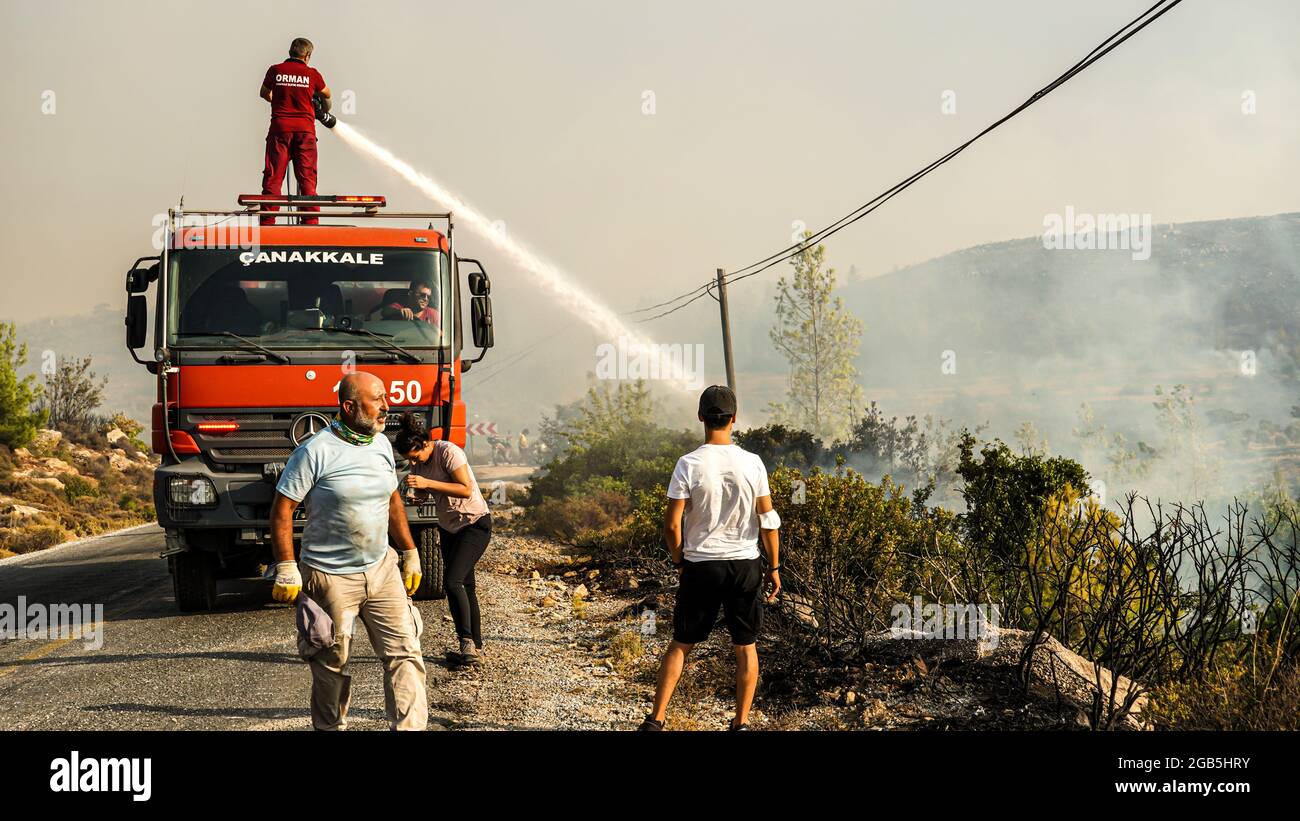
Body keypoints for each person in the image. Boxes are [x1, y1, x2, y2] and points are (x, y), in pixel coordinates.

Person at [269, 371, 427, 730]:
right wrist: (287, 566)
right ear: (349, 406)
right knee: (331, 664)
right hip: (329, 577)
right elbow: (282, 509)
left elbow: (392, 500)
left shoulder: (381, 445)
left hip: (382, 569)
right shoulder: (315, 451)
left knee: (405, 653)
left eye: (386, 398)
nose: (387, 406)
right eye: (378, 400)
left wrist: (409, 551)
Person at [639, 385, 781, 732]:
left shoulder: (687, 464)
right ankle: (741, 723)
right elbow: (768, 520)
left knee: (681, 643)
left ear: (701, 417)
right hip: (745, 565)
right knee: (745, 646)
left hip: (700, 565)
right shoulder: (754, 463)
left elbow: (672, 524)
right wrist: (774, 566)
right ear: (734, 419)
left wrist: (679, 561)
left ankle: (656, 720)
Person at [395, 414, 493, 667]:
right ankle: (475, 648)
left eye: (415, 456)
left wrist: (427, 482)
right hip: (449, 526)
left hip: (474, 523)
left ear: (426, 443)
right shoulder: (418, 463)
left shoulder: (449, 452)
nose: (412, 462)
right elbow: (431, 489)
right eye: (408, 459)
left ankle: (466, 641)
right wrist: (421, 495)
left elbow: (464, 488)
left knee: (452, 582)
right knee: (466, 586)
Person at [259, 37, 330, 226]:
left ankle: (267, 223)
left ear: (290, 51)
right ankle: (310, 223)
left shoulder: (275, 70)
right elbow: (327, 94)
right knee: (307, 178)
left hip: (279, 131)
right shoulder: (312, 74)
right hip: (305, 133)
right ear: (307, 56)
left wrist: (279, 99)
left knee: (273, 177)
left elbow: (264, 93)